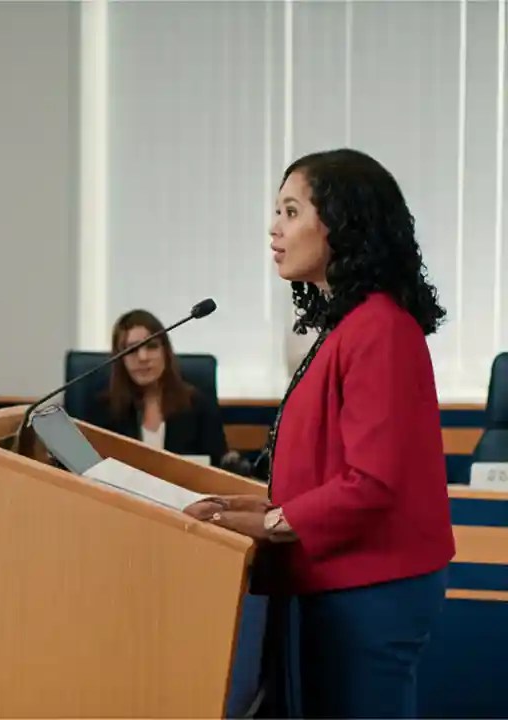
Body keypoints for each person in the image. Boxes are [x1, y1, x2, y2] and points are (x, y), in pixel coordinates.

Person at [185, 148, 454, 718]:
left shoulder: (379, 328)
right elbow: (327, 465)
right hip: (336, 580)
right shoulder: (348, 325)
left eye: (290, 210)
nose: (274, 228)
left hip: (370, 591)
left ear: (341, 223)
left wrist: (273, 522)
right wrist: (256, 504)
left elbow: (372, 483)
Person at [80, 309, 230, 467]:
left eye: (151, 346)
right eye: (131, 350)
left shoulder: (198, 405)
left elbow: (219, 466)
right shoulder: (103, 409)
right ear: (120, 359)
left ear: (165, 352)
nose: (143, 357)